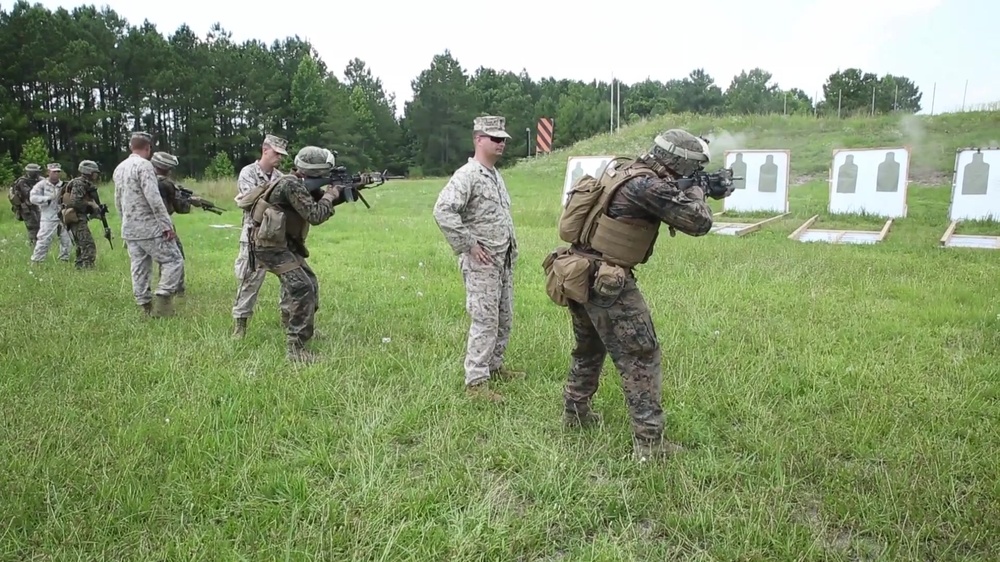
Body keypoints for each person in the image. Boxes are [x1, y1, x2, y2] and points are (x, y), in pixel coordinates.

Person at [543, 128, 733, 461]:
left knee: (589, 348)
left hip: (577, 272)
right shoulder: (649, 186)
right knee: (641, 357)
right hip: (607, 280)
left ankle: (575, 414)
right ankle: (649, 444)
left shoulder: (624, 170)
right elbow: (699, 223)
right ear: (678, 164)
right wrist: (700, 192)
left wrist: (692, 187)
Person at [432, 115, 523, 402]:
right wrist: (468, 245)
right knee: (484, 321)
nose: (501, 144)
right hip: (482, 263)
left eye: (503, 139)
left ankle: (494, 366)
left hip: (501, 260)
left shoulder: (495, 175)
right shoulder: (467, 175)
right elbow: (443, 211)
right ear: (478, 139)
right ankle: (476, 383)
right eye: (495, 139)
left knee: (503, 317)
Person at [236, 146, 340, 362]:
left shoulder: (296, 182)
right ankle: (296, 349)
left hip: (280, 244)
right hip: (270, 248)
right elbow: (315, 215)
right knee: (302, 287)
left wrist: (344, 191)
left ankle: (303, 328)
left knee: (309, 282)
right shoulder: (291, 184)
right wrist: (331, 195)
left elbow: (312, 203)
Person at [112, 131, 184, 317]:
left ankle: (145, 307)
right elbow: (153, 197)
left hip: (130, 228)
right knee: (174, 260)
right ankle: (163, 299)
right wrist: (166, 225)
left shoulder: (119, 168)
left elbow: (117, 200)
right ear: (148, 148)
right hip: (150, 227)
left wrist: (124, 224)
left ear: (130, 147)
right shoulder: (144, 166)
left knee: (139, 267)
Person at [231, 134, 288, 338]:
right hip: (254, 235)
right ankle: (240, 325)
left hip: (277, 235)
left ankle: (288, 319)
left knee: (289, 278)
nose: (279, 158)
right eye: (276, 153)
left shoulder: (281, 177)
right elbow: (249, 201)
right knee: (249, 281)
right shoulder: (248, 173)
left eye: (281, 155)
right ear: (265, 150)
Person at [151, 151, 192, 295]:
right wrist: (189, 201)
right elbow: (181, 208)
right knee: (176, 256)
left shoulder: (147, 179)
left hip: (143, 224)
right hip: (163, 224)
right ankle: (174, 288)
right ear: (168, 168)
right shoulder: (166, 183)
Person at [61, 159, 104, 269]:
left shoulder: (84, 183)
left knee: (81, 244)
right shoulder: (79, 183)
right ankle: (88, 267)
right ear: (88, 172)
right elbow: (76, 201)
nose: (96, 175)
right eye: (95, 172)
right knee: (87, 244)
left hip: (78, 217)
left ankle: (80, 267)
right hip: (76, 217)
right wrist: (91, 204)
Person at [28, 163, 72, 263]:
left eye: (58, 172)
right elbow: (32, 198)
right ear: (48, 172)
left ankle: (64, 259)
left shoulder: (65, 185)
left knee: (67, 239)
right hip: (48, 216)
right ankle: (37, 261)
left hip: (63, 216)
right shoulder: (41, 185)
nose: (56, 174)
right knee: (43, 239)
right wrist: (47, 199)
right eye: (54, 172)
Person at [8, 163, 42, 245]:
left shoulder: (39, 180)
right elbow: (29, 194)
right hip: (26, 207)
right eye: (35, 172)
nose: (37, 174)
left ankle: (38, 242)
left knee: (39, 225)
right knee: (32, 227)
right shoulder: (22, 182)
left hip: (36, 206)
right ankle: (33, 243)